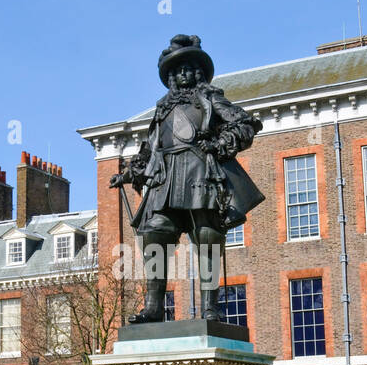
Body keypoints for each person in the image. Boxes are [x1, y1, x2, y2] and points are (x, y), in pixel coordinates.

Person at [110, 35, 264, 322]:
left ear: (198, 72)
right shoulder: (162, 109)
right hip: (165, 179)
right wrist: (129, 173)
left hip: (198, 174)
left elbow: (245, 124)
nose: (182, 73)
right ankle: (154, 307)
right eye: (176, 69)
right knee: (154, 234)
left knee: (207, 237)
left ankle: (209, 307)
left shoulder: (209, 99)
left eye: (187, 68)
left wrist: (219, 145)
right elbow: (150, 148)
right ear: (170, 76)